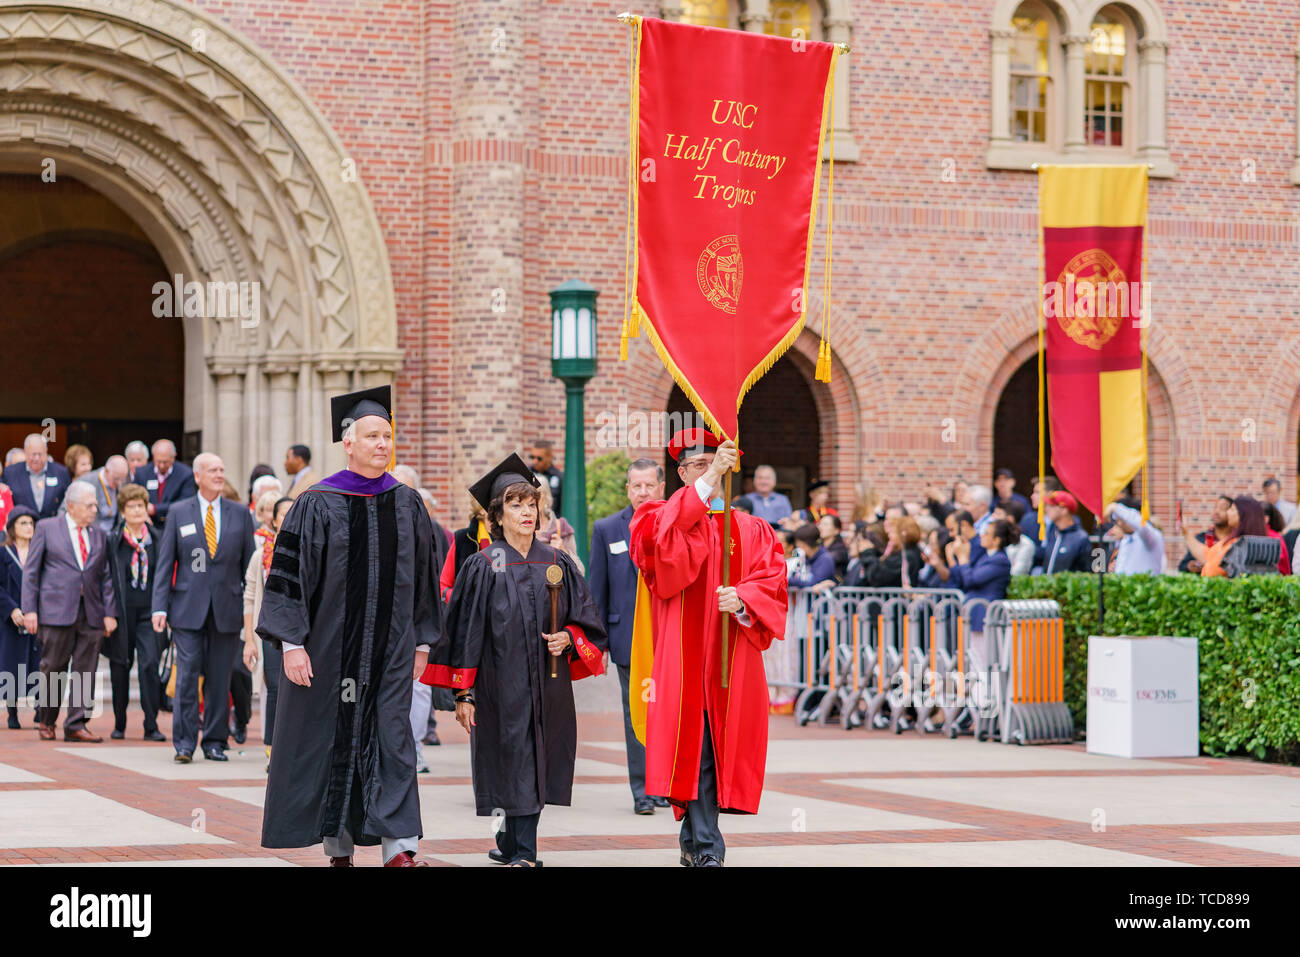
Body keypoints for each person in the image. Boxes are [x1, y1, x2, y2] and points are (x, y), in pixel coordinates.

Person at [258, 386, 439, 867]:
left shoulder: (407, 503)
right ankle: (339, 849)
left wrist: (423, 640)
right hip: (329, 651)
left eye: (387, 435)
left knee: (394, 742)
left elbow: (424, 577)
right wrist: (292, 643)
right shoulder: (316, 502)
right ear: (348, 443)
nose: (382, 444)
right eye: (372, 435)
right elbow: (289, 577)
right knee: (335, 741)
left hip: (392, 653)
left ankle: (400, 851)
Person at [422, 452, 607, 867]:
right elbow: (466, 632)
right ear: (497, 516)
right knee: (513, 760)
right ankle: (523, 853)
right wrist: (464, 693)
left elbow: (588, 624)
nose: (526, 512)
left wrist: (568, 637)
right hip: (498, 686)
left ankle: (512, 845)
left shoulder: (556, 562)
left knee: (536, 759)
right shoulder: (484, 565)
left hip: (548, 683)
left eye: (531, 504)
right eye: (514, 504)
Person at [629, 428, 787, 867]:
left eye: (715, 463)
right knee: (695, 750)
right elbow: (662, 553)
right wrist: (711, 474)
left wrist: (744, 600)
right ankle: (707, 849)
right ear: (680, 473)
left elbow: (773, 582)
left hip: (732, 659)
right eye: (697, 466)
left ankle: (691, 839)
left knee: (714, 756)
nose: (710, 472)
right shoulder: (656, 518)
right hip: (683, 661)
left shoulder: (751, 528)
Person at [150, 452, 255, 763]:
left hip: (227, 609)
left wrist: (250, 611)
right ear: (197, 476)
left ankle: (214, 741)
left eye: (222, 469)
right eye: (213, 470)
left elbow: (248, 567)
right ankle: (184, 743)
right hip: (186, 609)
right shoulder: (180, 512)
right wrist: (159, 607)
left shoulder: (240, 514)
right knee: (187, 677)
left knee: (220, 679)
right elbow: (165, 563)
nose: (219, 474)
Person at [588, 457, 669, 815]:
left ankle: (665, 785)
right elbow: (598, 589)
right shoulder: (607, 528)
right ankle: (643, 791)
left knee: (665, 713)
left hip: (667, 637)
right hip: (627, 638)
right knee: (635, 712)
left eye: (649, 485)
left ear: (661, 487)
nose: (642, 492)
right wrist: (598, 642)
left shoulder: (673, 523)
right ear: (627, 489)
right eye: (636, 486)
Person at [22, 482, 117, 742]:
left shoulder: (99, 534)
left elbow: (106, 577)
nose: (95, 510)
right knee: (53, 667)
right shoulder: (46, 528)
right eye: (90, 505)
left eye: (96, 504)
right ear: (71, 506)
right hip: (56, 611)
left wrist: (110, 612)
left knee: (86, 669)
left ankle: (76, 724)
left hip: (92, 612)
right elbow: (31, 572)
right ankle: (47, 720)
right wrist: (30, 609)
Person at [103, 484, 166, 741]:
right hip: (122, 611)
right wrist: (109, 612)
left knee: (150, 664)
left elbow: (165, 575)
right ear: (123, 511)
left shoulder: (158, 537)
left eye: (140, 505)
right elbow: (105, 578)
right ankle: (120, 723)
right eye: (131, 506)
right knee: (120, 666)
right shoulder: (113, 539)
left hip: (149, 611)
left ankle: (151, 724)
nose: (137, 510)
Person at [242, 495, 294, 771]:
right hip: (270, 630)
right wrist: (249, 639)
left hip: (299, 630)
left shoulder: (310, 548)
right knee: (274, 687)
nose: (287, 518)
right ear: (273, 520)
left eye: (292, 512)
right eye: (282, 514)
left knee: (297, 689)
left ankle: (295, 749)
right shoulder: (260, 552)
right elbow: (250, 596)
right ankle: (273, 750)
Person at [946, 518, 1014, 661]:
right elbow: (962, 580)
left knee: (981, 660)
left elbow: (971, 580)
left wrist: (963, 557)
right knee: (971, 658)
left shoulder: (1000, 560)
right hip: (974, 615)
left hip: (984, 616)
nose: (981, 535)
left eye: (987, 533)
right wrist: (955, 560)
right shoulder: (985, 557)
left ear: (996, 540)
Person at [0, 507, 39, 729]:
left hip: (36, 616)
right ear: (13, 527)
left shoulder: (40, 552)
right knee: (12, 664)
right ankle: (12, 712)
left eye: (31, 523)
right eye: (23, 523)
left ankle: (39, 709)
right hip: (10, 618)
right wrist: (11, 609)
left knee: (38, 663)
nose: (28, 527)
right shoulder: (4, 553)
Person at [1184, 496, 1274, 577]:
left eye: (1232, 509)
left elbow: (1213, 569)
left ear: (1242, 516)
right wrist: (1186, 532)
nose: (1227, 513)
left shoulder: (1239, 546)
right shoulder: (1233, 540)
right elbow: (1208, 555)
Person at [2, 434, 72, 520]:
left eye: (40, 454)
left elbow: (69, 499)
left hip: (53, 526)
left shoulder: (60, 472)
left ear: (46, 451)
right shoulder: (10, 473)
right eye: (33, 454)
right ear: (25, 452)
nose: (37, 458)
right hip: (21, 528)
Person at [133, 439, 195, 527]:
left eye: (165, 462)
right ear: (153, 457)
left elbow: (186, 502)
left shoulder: (185, 474)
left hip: (175, 523)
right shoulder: (142, 473)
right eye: (158, 461)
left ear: (173, 457)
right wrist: (142, 512)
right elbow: (132, 497)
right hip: (146, 524)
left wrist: (155, 509)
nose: (161, 465)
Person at [854, 515, 924, 588]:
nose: (889, 536)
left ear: (903, 534)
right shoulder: (901, 553)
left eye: (893, 532)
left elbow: (878, 577)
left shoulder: (907, 556)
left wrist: (868, 553)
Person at [65, 455, 128, 535]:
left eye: (122, 479)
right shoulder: (85, 481)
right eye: (116, 479)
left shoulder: (120, 480)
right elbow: (65, 509)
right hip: (91, 533)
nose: (119, 483)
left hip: (113, 534)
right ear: (106, 471)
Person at [1033, 491, 1091, 574]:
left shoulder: (1081, 538)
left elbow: (1087, 572)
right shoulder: (1053, 533)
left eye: (1051, 506)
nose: (1046, 509)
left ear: (1064, 509)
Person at [1103, 500, 1165, 575]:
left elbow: (1141, 526)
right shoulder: (1126, 539)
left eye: (1121, 519)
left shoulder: (1151, 537)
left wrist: (1115, 507)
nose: (1118, 523)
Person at [536, 480, 583, 572]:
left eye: (537, 495)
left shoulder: (561, 527)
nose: (533, 500)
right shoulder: (518, 529)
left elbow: (580, 571)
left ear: (546, 498)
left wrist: (563, 551)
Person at [1178, 495, 1232, 574]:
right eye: (1215, 507)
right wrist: (1189, 566)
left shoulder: (1235, 541)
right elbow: (1182, 566)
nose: (1216, 511)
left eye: (1222, 508)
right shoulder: (1201, 538)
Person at [788, 523, 837, 589]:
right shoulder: (801, 556)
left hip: (818, 599)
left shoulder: (825, 559)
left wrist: (787, 580)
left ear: (803, 543)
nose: (796, 545)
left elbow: (814, 583)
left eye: (797, 542)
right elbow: (794, 574)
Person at [992, 499, 1034, 575]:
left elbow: (1016, 573)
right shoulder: (990, 538)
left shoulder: (1025, 544)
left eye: (998, 514)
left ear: (1010, 519)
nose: (992, 516)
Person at [528, 439, 564, 516]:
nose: (535, 461)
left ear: (550, 457)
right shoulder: (526, 474)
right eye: (532, 457)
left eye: (539, 458)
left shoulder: (559, 477)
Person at [818, 513, 849, 580]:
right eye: (820, 523)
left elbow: (825, 560)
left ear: (836, 530)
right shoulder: (818, 545)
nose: (820, 527)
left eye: (825, 524)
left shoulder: (840, 549)